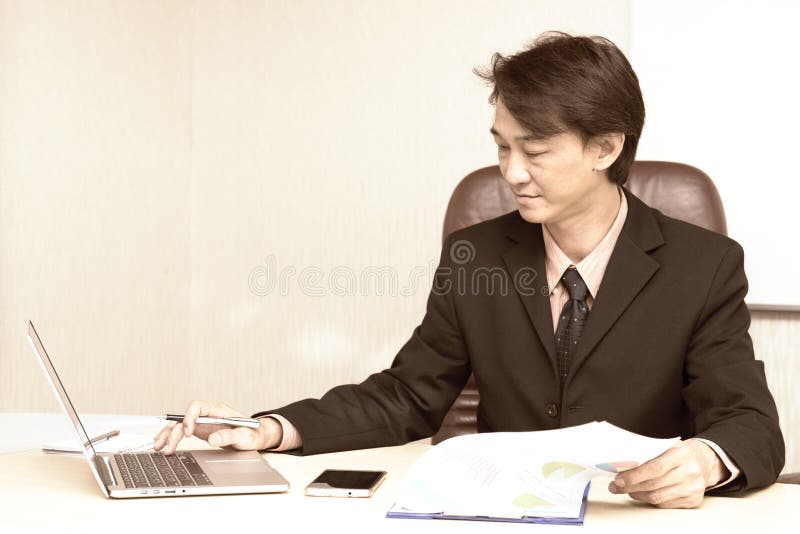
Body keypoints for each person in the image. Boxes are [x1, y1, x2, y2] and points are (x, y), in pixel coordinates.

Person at [155, 32, 784, 509]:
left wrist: (705, 460)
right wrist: (269, 428)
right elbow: (406, 394)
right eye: (501, 146)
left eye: (534, 151)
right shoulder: (475, 255)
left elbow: (751, 424)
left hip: (631, 517)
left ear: (607, 148)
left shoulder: (704, 266)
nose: (510, 172)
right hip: (500, 515)